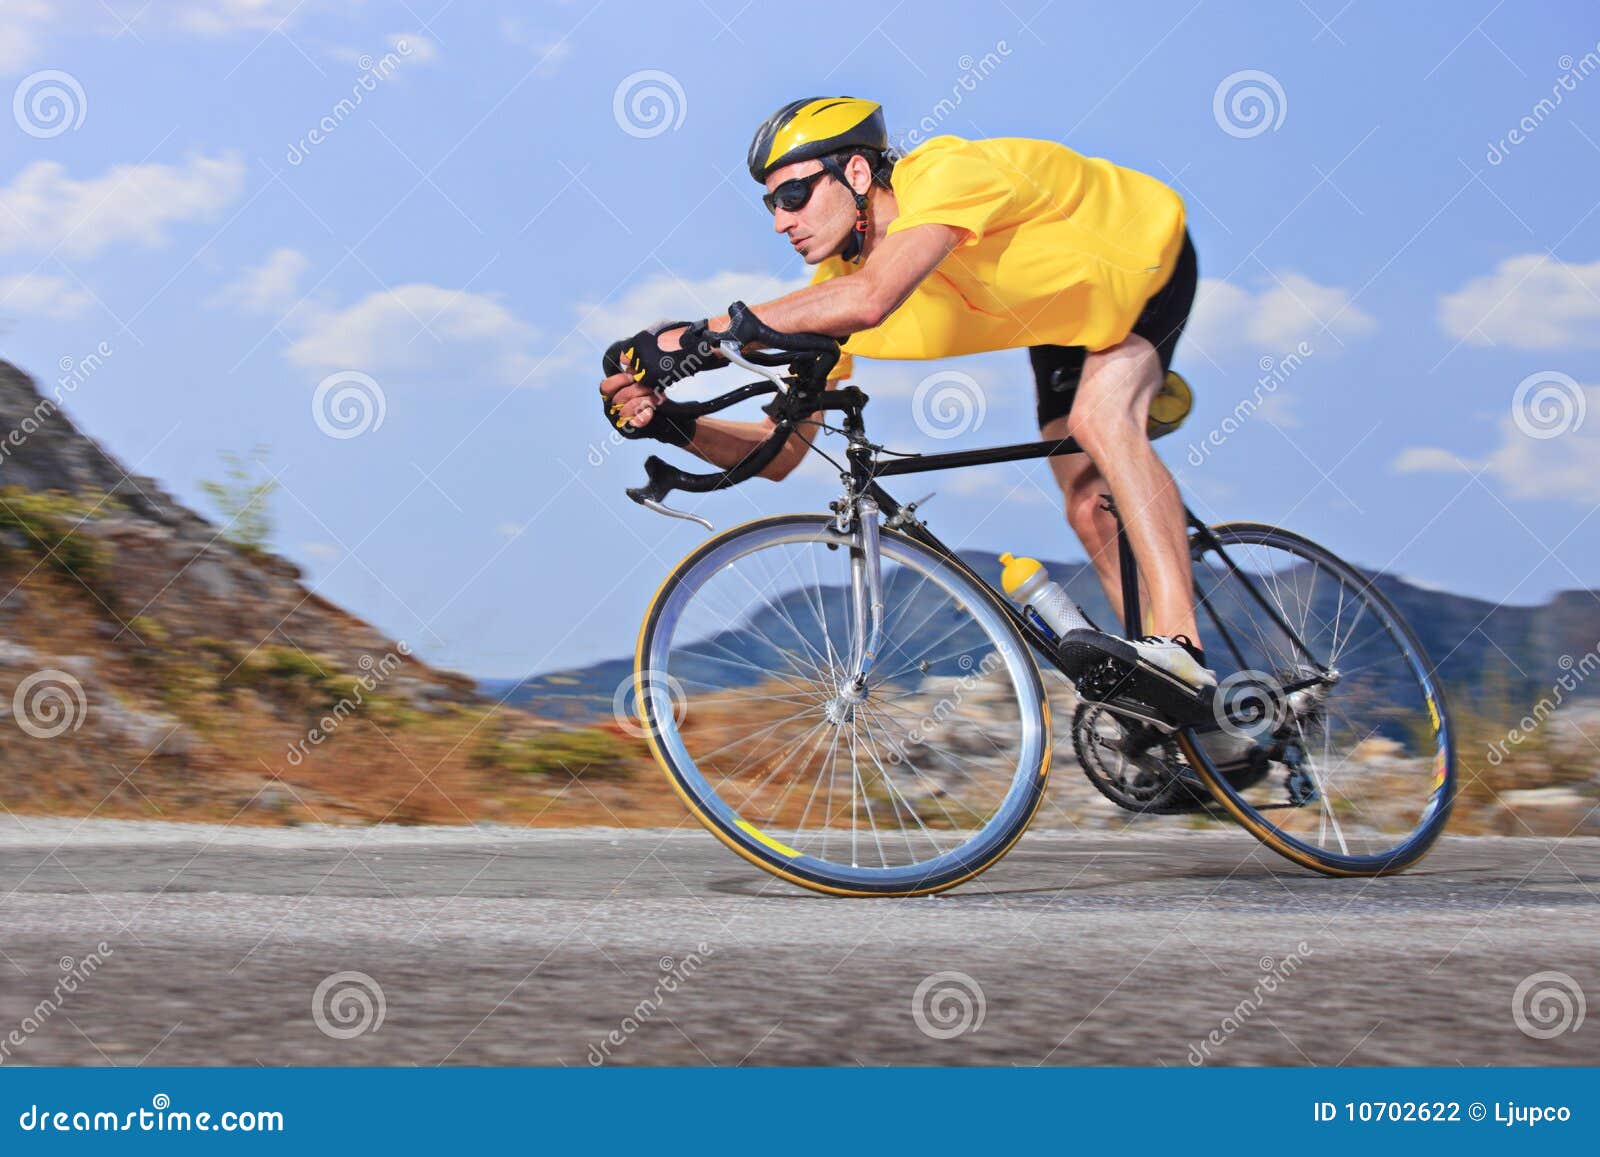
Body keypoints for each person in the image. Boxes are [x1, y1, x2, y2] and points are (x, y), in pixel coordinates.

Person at [597, 96, 1213, 713]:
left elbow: (872, 298)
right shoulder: (831, 291)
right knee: (1088, 505)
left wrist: (696, 339)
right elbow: (782, 451)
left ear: (857, 174)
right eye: (770, 205)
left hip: (1139, 254)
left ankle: (1181, 649)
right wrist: (675, 424)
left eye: (793, 196)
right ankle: (1161, 712)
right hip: (1061, 315)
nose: (781, 222)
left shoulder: (944, 175)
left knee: (1102, 420)